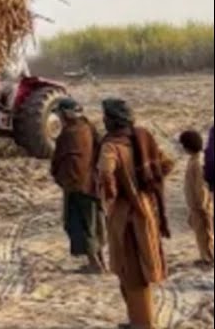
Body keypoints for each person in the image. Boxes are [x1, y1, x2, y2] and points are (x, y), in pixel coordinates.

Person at [96, 98, 174, 329]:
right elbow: (167, 164)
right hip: (147, 211)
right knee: (140, 269)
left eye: (105, 117)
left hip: (125, 216)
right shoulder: (143, 138)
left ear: (111, 120)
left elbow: (105, 175)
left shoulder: (111, 146)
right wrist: (146, 183)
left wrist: (111, 193)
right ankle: (138, 320)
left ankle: (143, 323)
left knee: (131, 272)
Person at [50, 98, 106, 273]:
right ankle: (100, 261)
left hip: (77, 185)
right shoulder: (88, 126)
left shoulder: (68, 134)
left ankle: (95, 264)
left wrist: (61, 178)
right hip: (92, 183)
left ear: (66, 114)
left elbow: (61, 159)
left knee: (80, 224)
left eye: (60, 113)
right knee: (94, 223)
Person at [179, 130, 214, 266]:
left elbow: (201, 186)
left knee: (206, 233)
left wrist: (202, 205)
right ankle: (205, 256)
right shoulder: (193, 160)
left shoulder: (198, 162)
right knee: (200, 233)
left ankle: (210, 257)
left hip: (201, 206)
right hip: (195, 206)